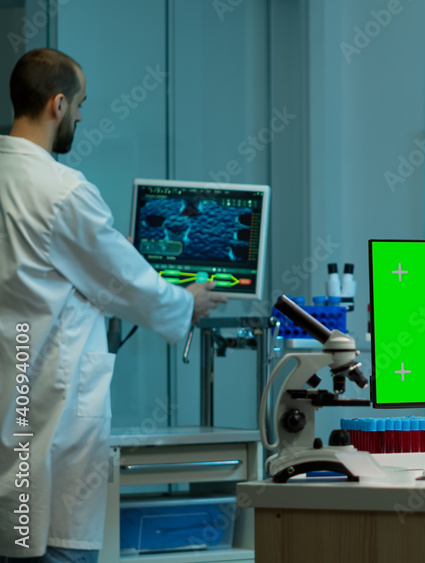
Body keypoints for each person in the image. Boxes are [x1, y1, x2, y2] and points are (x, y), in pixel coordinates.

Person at [0, 49, 227, 562]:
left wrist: (102, 256)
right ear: (58, 104)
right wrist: (186, 302)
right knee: (48, 541)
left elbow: (39, 273)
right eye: (80, 104)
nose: (81, 116)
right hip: (51, 425)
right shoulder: (63, 192)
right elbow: (131, 287)